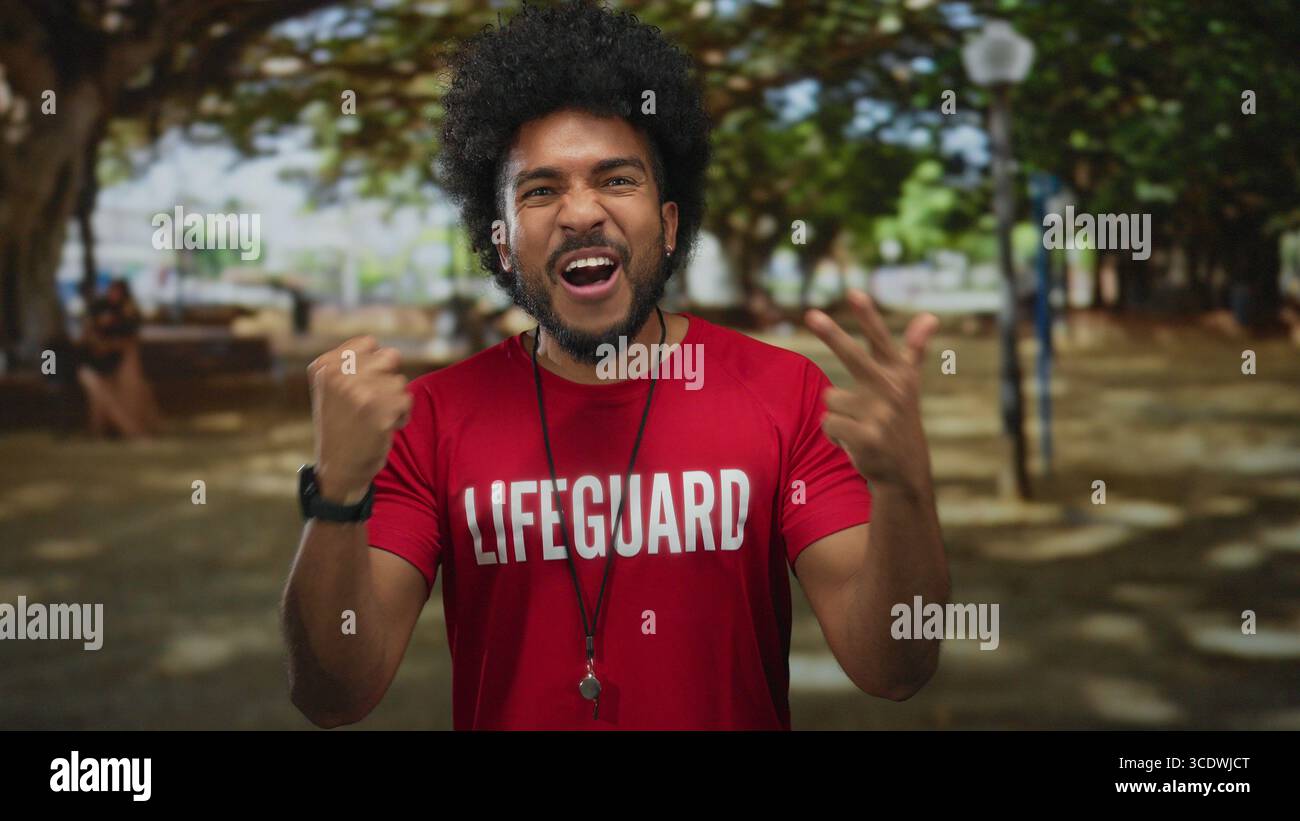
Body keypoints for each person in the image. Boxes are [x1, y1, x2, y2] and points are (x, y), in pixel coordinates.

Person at [281, 1, 949, 730]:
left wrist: (907, 488)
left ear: (668, 224)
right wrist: (337, 490)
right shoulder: (431, 420)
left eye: (617, 179)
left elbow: (894, 667)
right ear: (502, 243)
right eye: (541, 190)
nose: (580, 213)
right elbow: (333, 695)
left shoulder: (784, 395)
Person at [75, 278, 162, 439]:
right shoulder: (97, 312)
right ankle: (129, 431)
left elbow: (129, 339)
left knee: (129, 391)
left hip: (108, 366)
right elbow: (89, 342)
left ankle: (116, 431)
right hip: (88, 366)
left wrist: (111, 345)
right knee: (102, 394)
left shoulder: (124, 314)